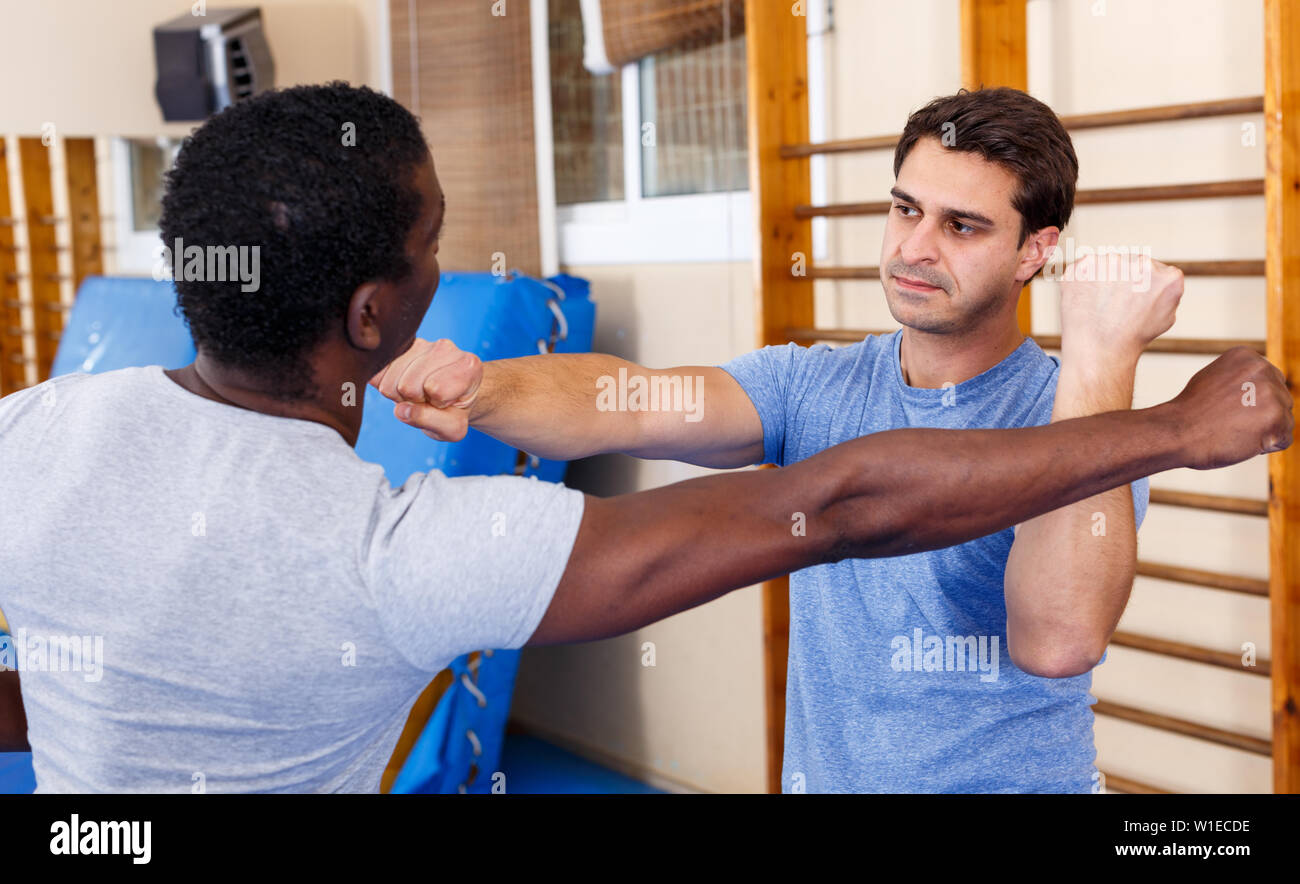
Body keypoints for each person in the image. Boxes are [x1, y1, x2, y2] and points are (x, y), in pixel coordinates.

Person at [0, 83, 1290, 793]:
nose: (911, 246)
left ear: (1039, 250)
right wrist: (489, 391)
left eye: (960, 226)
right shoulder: (814, 384)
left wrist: (1117, 376)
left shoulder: (1074, 421)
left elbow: (1055, 638)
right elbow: (636, 398)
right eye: (903, 208)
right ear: (376, 310)